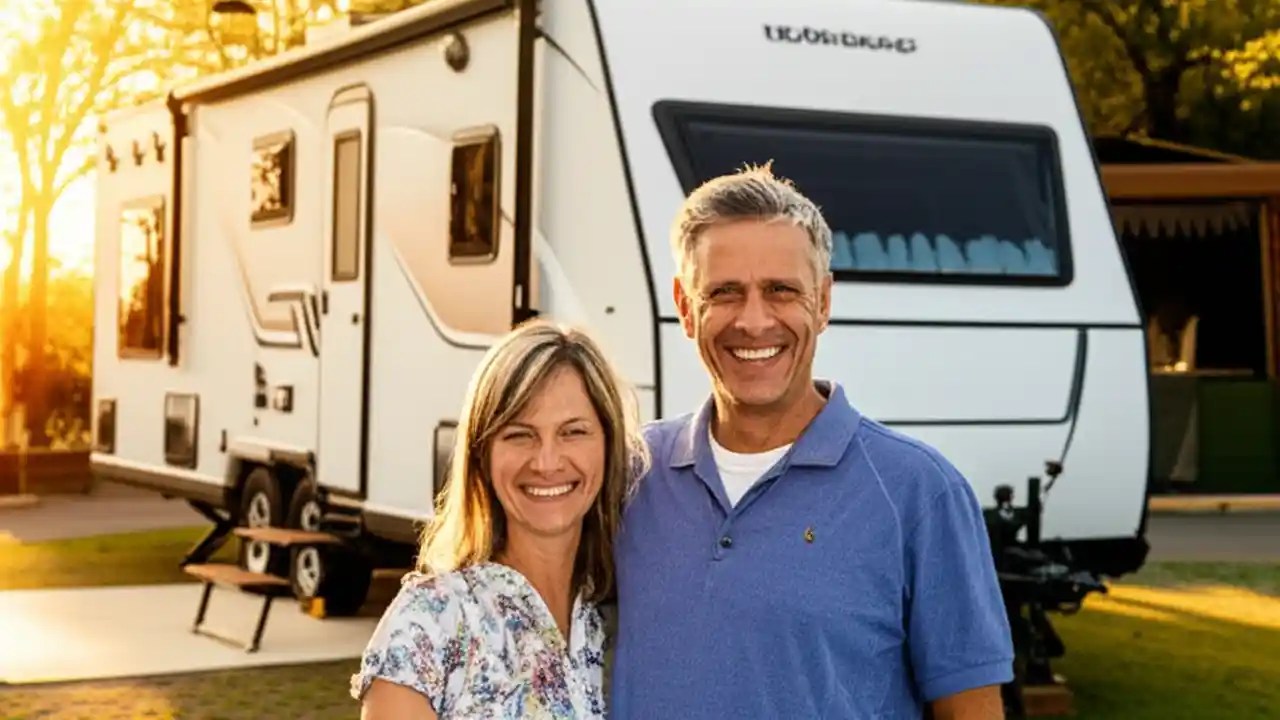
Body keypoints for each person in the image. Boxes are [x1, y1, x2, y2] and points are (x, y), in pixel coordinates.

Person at [609, 164, 1014, 719]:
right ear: (684, 306)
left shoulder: (921, 492)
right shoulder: (629, 473)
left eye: (780, 291)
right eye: (724, 292)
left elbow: (971, 710)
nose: (753, 322)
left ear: (822, 302)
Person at [352, 320, 648, 719]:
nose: (546, 462)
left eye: (573, 432)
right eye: (519, 434)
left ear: (609, 447)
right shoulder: (430, 621)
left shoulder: (620, 615)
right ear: (481, 455)